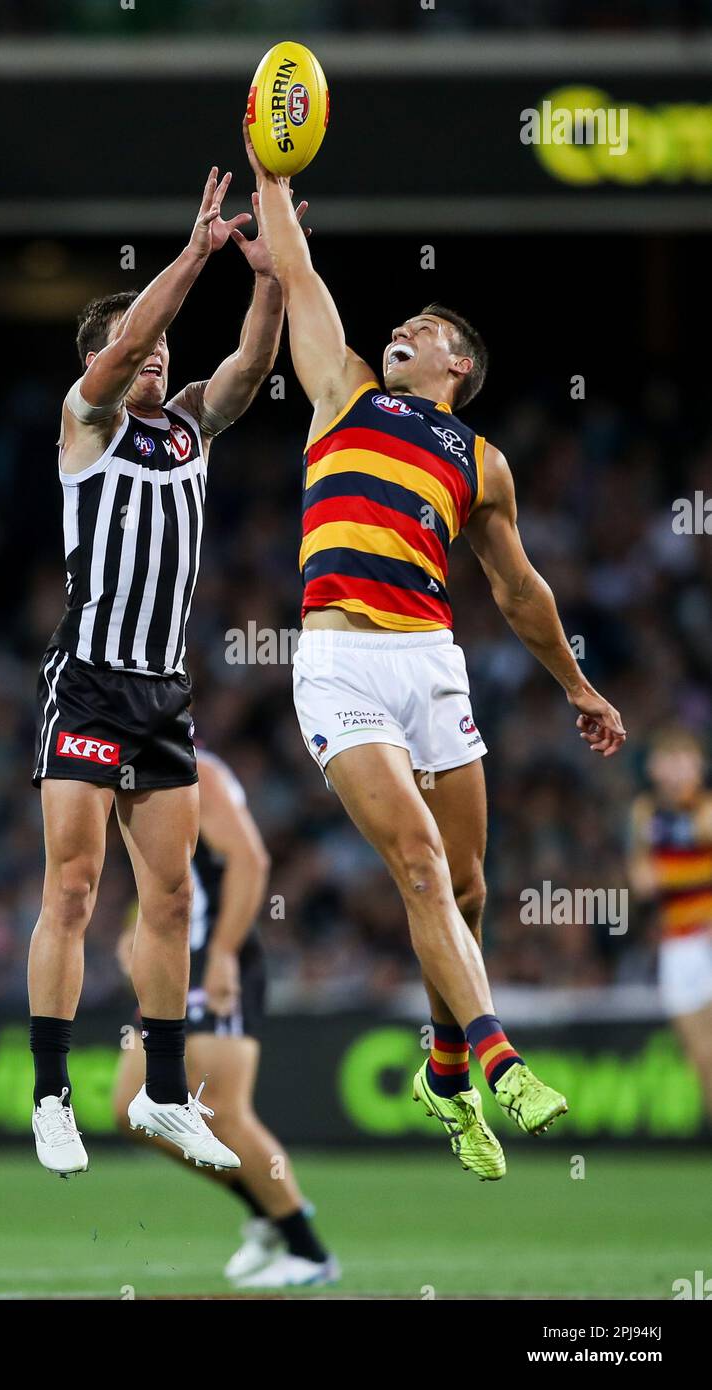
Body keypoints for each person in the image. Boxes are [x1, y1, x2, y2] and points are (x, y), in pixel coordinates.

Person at [244, 122, 626, 1180]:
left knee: (463, 889)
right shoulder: (341, 393)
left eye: (425, 326)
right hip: (338, 665)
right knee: (414, 861)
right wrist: (272, 173)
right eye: (402, 321)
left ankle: (442, 1073)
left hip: (431, 666)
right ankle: (499, 1059)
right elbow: (302, 273)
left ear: (458, 365)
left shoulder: (481, 462)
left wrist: (577, 686)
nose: (403, 325)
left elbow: (516, 588)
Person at [29, 167, 304, 1177]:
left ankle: (164, 1090)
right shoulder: (86, 420)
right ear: (105, 357)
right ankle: (52, 1094)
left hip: (162, 692)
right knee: (71, 883)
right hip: (92, 680)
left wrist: (269, 278)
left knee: (175, 900)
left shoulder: (188, 424)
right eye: (134, 348)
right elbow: (121, 354)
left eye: (158, 353)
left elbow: (248, 361)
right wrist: (191, 253)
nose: (152, 361)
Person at [113, 748, 338, 1288]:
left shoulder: (195, 770)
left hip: (216, 964)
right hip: (172, 967)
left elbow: (249, 859)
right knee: (131, 1109)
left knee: (220, 1112)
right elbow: (166, 873)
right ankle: (264, 1205)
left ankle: (308, 1251)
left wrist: (221, 953)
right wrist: (134, 934)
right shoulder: (131, 773)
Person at [629, 727, 712, 1119]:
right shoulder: (646, 813)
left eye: (685, 762)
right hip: (677, 942)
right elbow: (642, 882)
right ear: (654, 768)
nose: (678, 772)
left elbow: (698, 832)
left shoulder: (705, 808)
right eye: (670, 761)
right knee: (699, 1054)